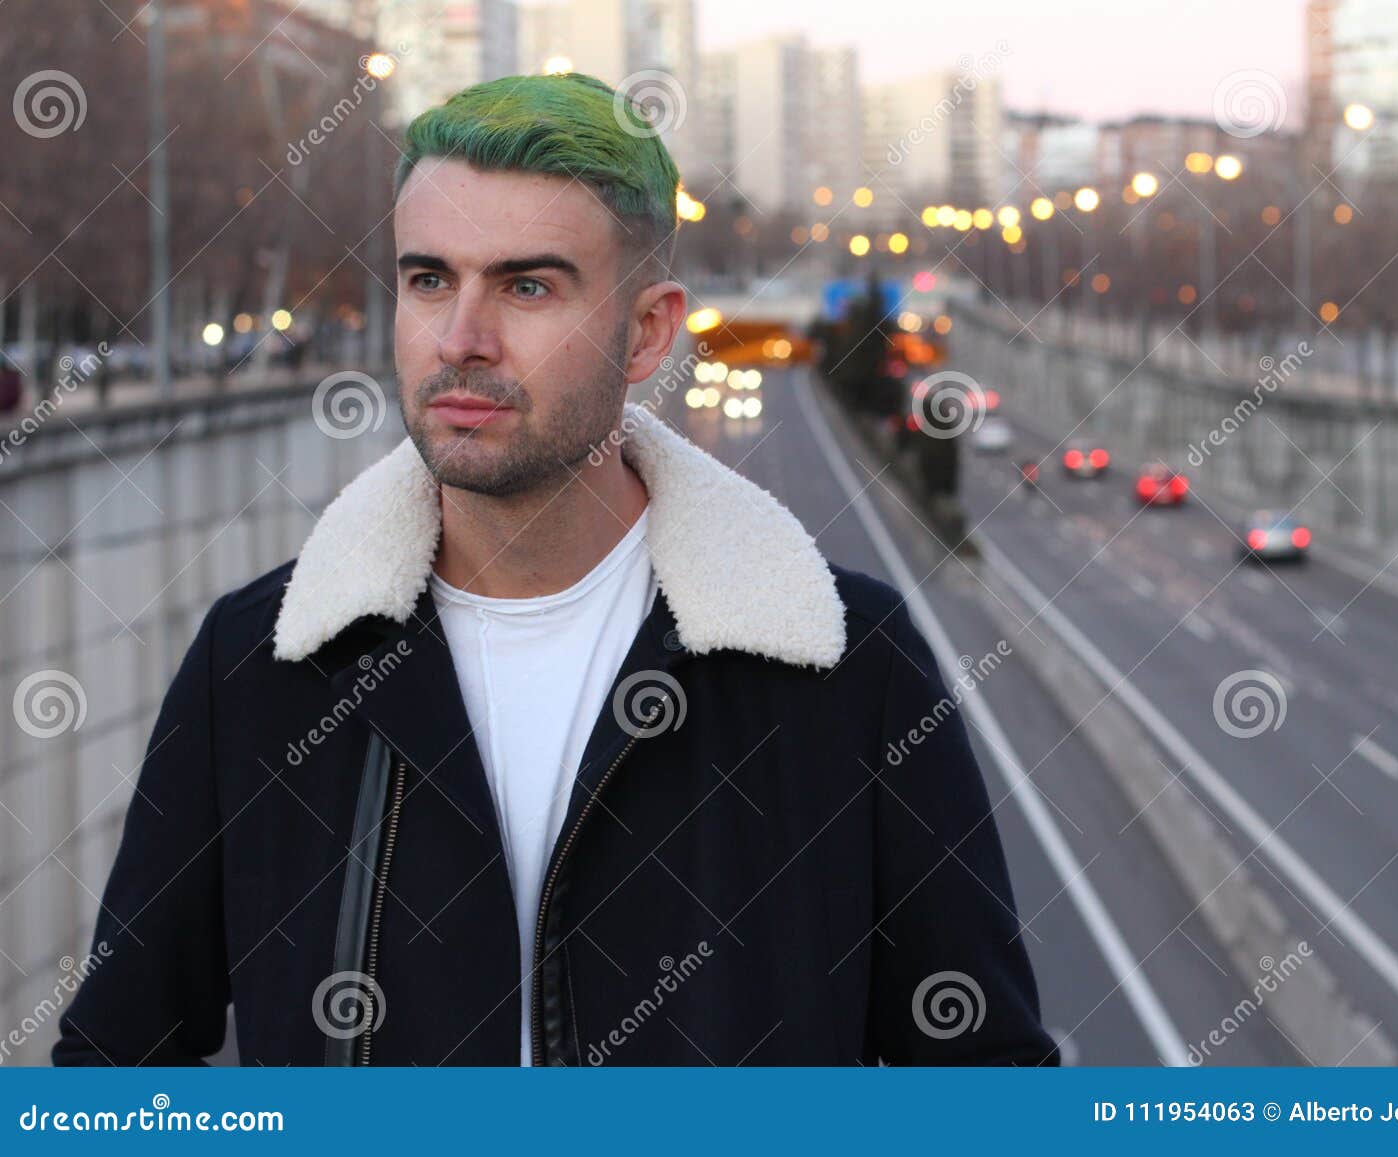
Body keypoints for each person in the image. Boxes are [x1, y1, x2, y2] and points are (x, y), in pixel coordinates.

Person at [53, 72, 1053, 1066]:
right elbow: (112, 1069)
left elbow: (988, 1083)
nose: (460, 340)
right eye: (428, 279)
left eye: (526, 285)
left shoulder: (842, 664)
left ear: (649, 331)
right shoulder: (261, 662)